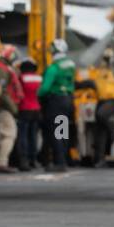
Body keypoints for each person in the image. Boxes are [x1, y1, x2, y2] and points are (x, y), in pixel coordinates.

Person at [37, 39, 76, 171]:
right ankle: (63, 160)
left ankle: (59, 163)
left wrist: (38, 95)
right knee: (62, 132)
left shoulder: (53, 68)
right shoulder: (70, 65)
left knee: (55, 133)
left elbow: (45, 88)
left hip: (56, 102)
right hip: (68, 101)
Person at [0, 46, 22, 173]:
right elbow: (2, 92)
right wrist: (13, 108)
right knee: (9, 133)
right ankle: (1, 163)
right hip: (2, 108)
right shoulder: (1, 70)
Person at [17, 58, 43, 171]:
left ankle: (24, 160)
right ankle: (34, 159)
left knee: (23, 135)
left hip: (24, 108)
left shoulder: (21, 78)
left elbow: (18, 93)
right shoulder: (39, 78)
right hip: (36, 109)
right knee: (33, 135)